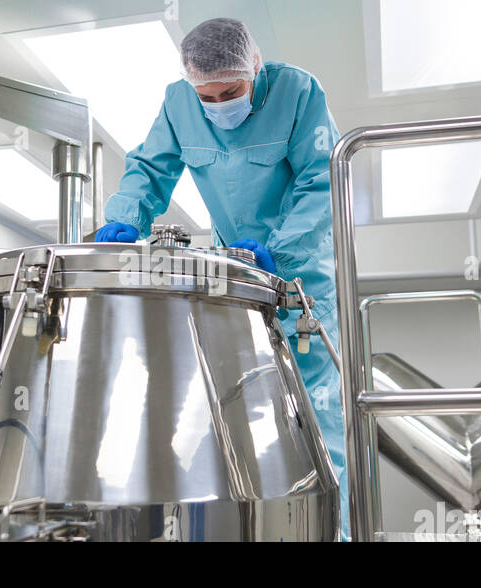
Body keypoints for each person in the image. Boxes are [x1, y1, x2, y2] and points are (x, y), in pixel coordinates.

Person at [95, 17, 347, 537]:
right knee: (236, 406)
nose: (217, 106)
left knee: (316, 413)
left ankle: (330, 530)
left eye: (229, 92)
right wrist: (126, 215)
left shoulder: (298, 92)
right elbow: (149, 169)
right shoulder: (178, 102)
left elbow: (323, 180)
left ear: (255, 66)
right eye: (205, 96)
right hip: (235, 276)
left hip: (299, 280)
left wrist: (281, 250)